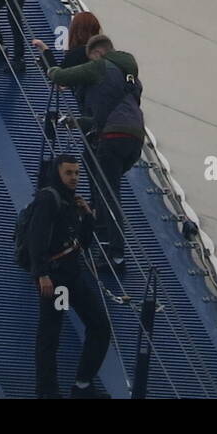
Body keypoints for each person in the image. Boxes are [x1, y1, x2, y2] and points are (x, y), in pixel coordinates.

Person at [33, 34, 144, 271]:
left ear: (98, 53)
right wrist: (74, 122)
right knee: (100, 183)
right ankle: (101, 235)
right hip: (134, 138)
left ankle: (115, 254)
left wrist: (47, 59)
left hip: (112, 136)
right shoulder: (132, 78)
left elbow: (59, 76)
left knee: (107, 193)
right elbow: (110, 113)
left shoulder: (100, 65)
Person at [26, 154, 112, 399]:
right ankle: (47, 390)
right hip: (55, 278)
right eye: (69, 173)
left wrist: (87, 217)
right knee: (51, 333)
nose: (74, 178)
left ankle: (82, 385)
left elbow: (82, 244)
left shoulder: (71, 202)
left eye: (77, 173)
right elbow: (37, 237)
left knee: (100, 326)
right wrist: (41, 274)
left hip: (72, 275)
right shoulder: (48, 198)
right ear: (58, 173)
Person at [32, 11, 100, 110]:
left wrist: (44, 50)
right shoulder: (102, 52)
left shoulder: (79, 53)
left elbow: (58, 77)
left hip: (91, 106)